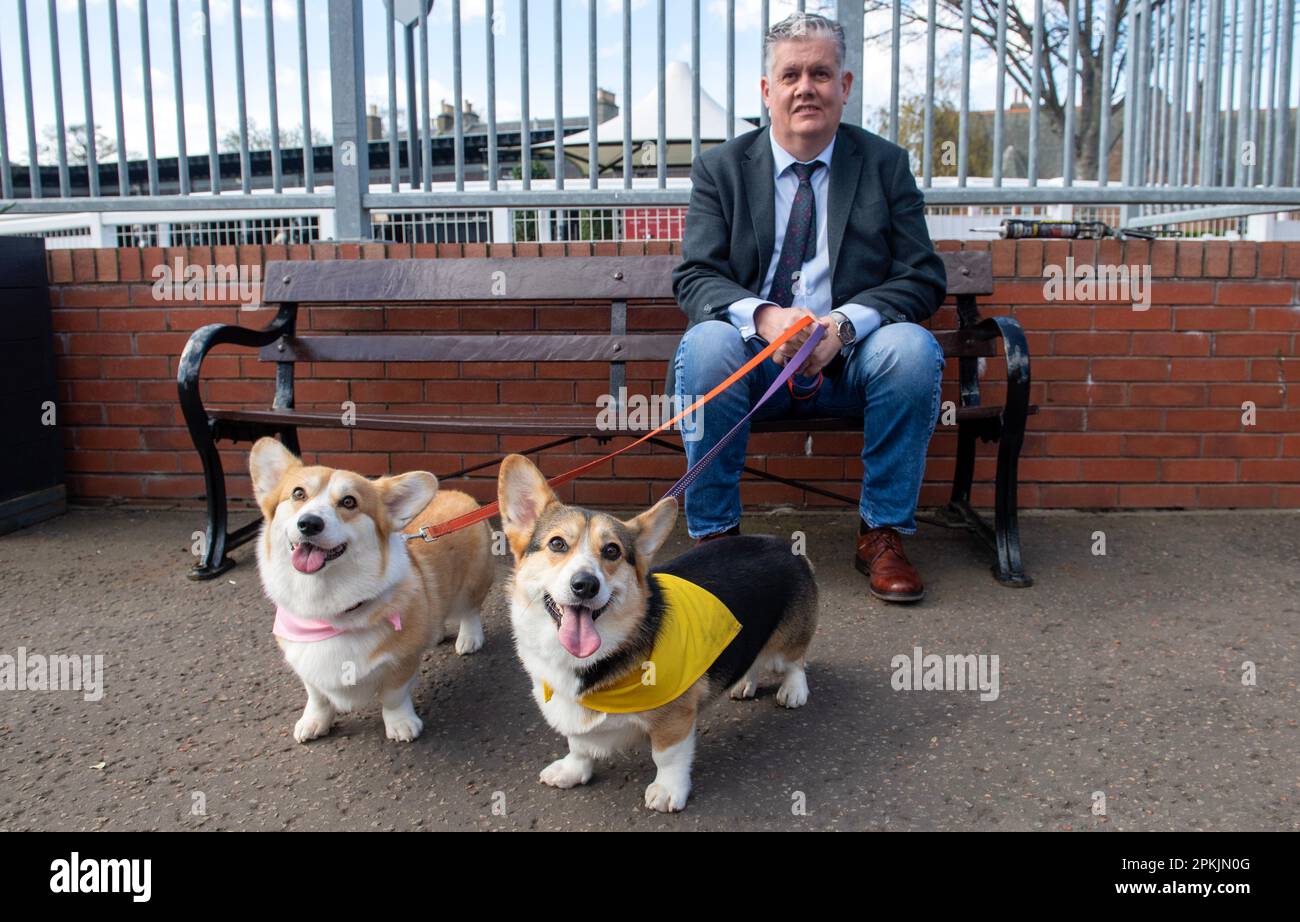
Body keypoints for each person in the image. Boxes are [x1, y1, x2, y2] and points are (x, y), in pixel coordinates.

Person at [670, 11, 947, 603]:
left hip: (852, 363)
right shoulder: (721, 170)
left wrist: (843, 327)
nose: (806, 87)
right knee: (706, 343)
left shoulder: (884, 165)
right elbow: (695, 275)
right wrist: (765, 318)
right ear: (766, 91)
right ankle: (716, 540)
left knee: (912, 348)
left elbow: (923, 277)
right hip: (754, 366)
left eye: (820, 72)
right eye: (790, 74)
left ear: (843, 86)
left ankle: (883, 533)